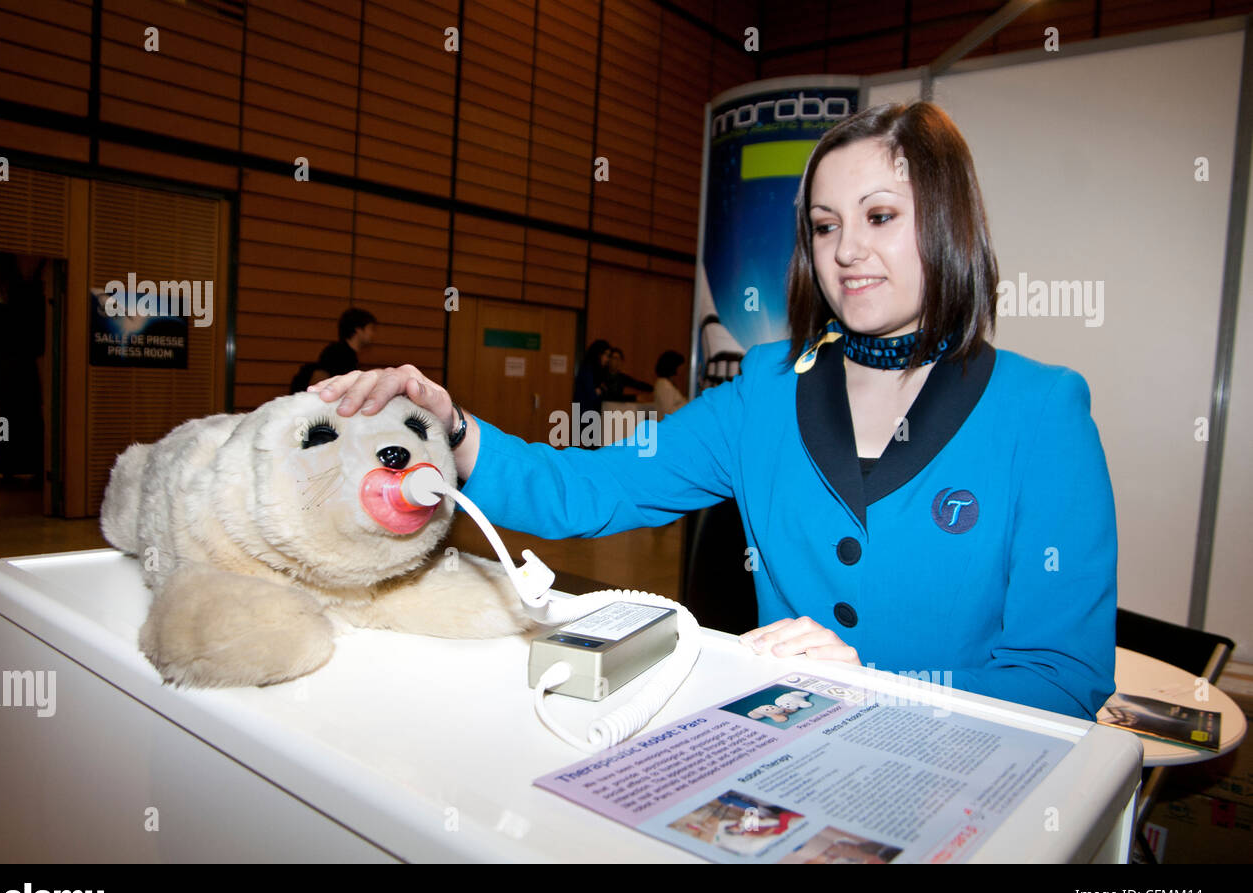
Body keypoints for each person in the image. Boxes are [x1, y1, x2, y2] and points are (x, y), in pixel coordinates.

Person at [309, 101, 1117, 721]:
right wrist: (451, 429)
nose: (845, 251)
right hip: (777, 770)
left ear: (946, 222)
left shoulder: (1042, 412)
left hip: (955, 790)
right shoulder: (766, 391)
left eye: (880, 217)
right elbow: (587, 489)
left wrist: (872, 688)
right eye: (825, 225)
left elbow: (1063, 683)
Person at [291, 307, 377, 394]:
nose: (373, 334)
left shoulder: (349, 355)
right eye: (371, 328)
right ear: (358, 330)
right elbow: (317, 383)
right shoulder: (335, 353)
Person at [652, 350, 688, 420]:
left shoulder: (666, 383)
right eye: (680, 366)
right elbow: (668, 411)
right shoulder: (664, 385)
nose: (682, 370)